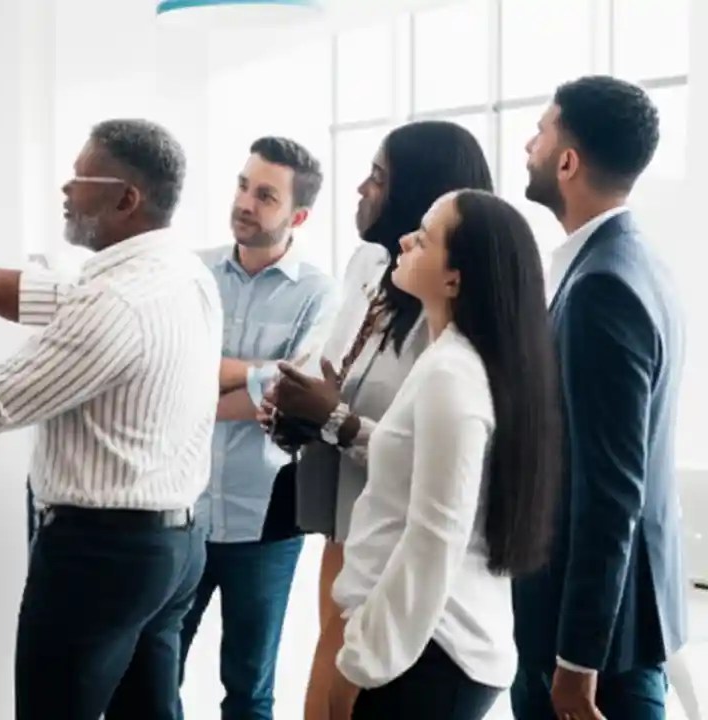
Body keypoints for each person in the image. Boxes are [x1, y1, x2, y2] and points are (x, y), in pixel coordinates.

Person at [0, 118, 223, 720]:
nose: (66, 190)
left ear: (126, 199)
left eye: (81, 178)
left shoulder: (115, 301)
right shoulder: (177, 272)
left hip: (101, 556)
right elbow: (36, 293)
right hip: (172, 547)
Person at [259, 120, 494, 720]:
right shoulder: (370, 269)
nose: (362, 188)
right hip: (348, 532)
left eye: (380, 178)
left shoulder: (450, 349)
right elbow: (337, 371)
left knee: (342, 695)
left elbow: (423, 469)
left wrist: (333, 418)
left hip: (402, 563)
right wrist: (302, 410)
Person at [313, 189, 562, 719]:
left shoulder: (453, 374)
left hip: (425, 656)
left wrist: (360, 664)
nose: (405, 239)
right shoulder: (452, 362)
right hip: (424, 647)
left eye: (423, 237)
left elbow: (434, 539)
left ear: (454, 278)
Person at [511, 74, 687, 720]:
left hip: (596, 646)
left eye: (541, 131)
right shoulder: (634, 262)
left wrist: (576, 662)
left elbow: (611, 491)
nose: (528, 143)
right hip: (620, 625)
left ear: (567, 161)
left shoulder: (601, 287)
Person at [178, 137, 337, 719]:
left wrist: (194, 387)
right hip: (181, 510)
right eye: (243, 185)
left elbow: (292, 394)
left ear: (298, 216)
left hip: (266, 520)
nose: (245, 201)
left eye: (265, 195)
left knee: (249, 688)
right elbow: (163, 365)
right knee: (152, 673)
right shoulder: (192, 273)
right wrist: (259, 377)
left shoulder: (320, 294)